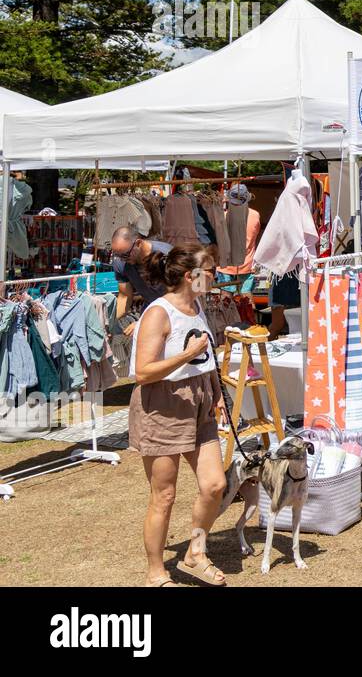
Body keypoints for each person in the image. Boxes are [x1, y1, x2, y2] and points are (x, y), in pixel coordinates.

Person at [127, 244, 226, 587]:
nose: (216, 275)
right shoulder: (158, 313)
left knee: (215, 485)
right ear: (190, 276)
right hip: (162, 405)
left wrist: (217, 393)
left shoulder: (197, 304)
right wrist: (186, 355)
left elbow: (205, 358)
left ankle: (194, 554)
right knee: (164, 495)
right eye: (211, 270)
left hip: (198, 403)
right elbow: (142, 372)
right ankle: (156, 572)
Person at [110, 227, 172, 339]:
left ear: (138, 243)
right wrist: (110, 323)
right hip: (150, 310)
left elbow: (179, 295)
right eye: (117, 255)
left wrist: (144, 322)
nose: (122, 259)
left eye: (125, 255)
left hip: (174, 312)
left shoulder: (165, 255)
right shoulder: (120, 263)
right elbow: (124, 297)